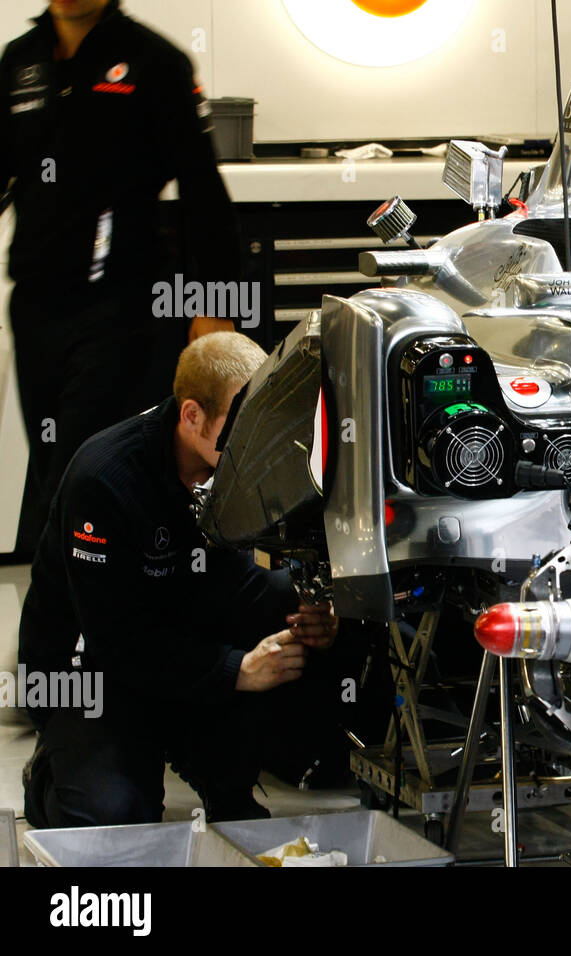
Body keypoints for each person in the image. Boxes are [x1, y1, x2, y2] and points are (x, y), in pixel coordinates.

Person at [20, 332, 343, 827]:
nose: (256, 435)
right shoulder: (103, 479)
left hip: (178, 635)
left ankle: (226, 779)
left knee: (303, 605)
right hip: (93, 672)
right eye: (241, 421)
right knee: (112, 816)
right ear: (192, 416)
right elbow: (115, 643)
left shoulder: (236, 461)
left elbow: (248, 583)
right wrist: (236, 670)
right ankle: (51, 772)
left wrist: (316, 613)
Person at [0, 0, 240, 558]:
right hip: (36, 305)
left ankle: (73, 600)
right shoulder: (21, 61)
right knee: (54, 465)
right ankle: (72, 598)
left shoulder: (154, 61)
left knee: (81, 468)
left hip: (123, 305)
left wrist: (215, 304)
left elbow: (203, 192)